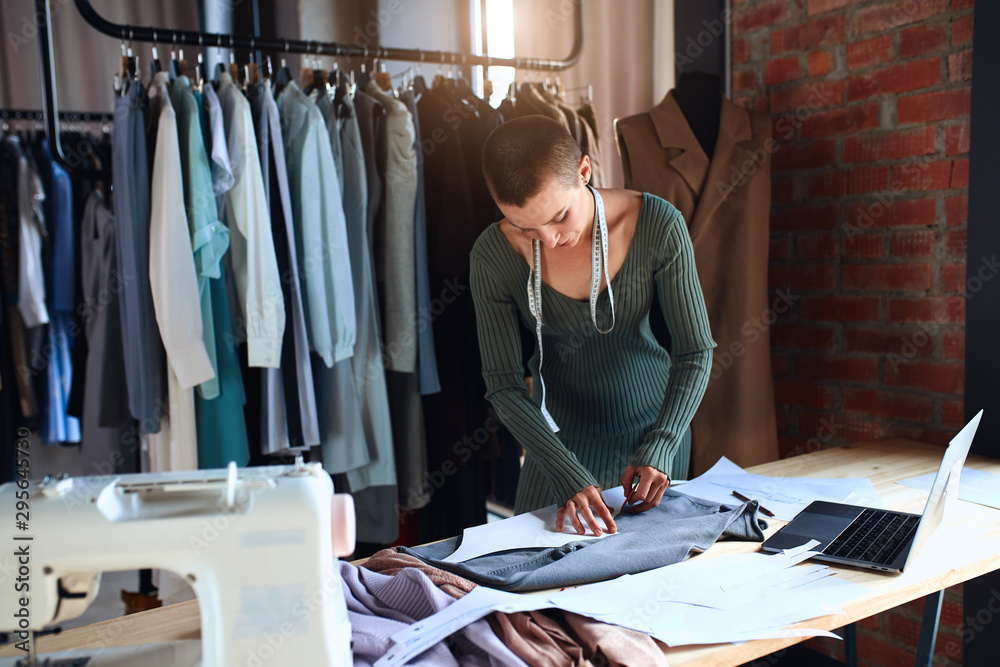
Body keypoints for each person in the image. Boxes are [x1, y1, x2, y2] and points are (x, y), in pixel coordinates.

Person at [470, 116, 716, 536]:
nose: (548, 240)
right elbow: (503, 385)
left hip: (651, 441)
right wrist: (566, 472)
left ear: (584, 172)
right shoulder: (492, 255)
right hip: (555, 450)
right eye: (525, 227)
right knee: (536, 591)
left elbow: (696, 351)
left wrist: (663, 443)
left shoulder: (659, 225)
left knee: (647, 590)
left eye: (559, 217)